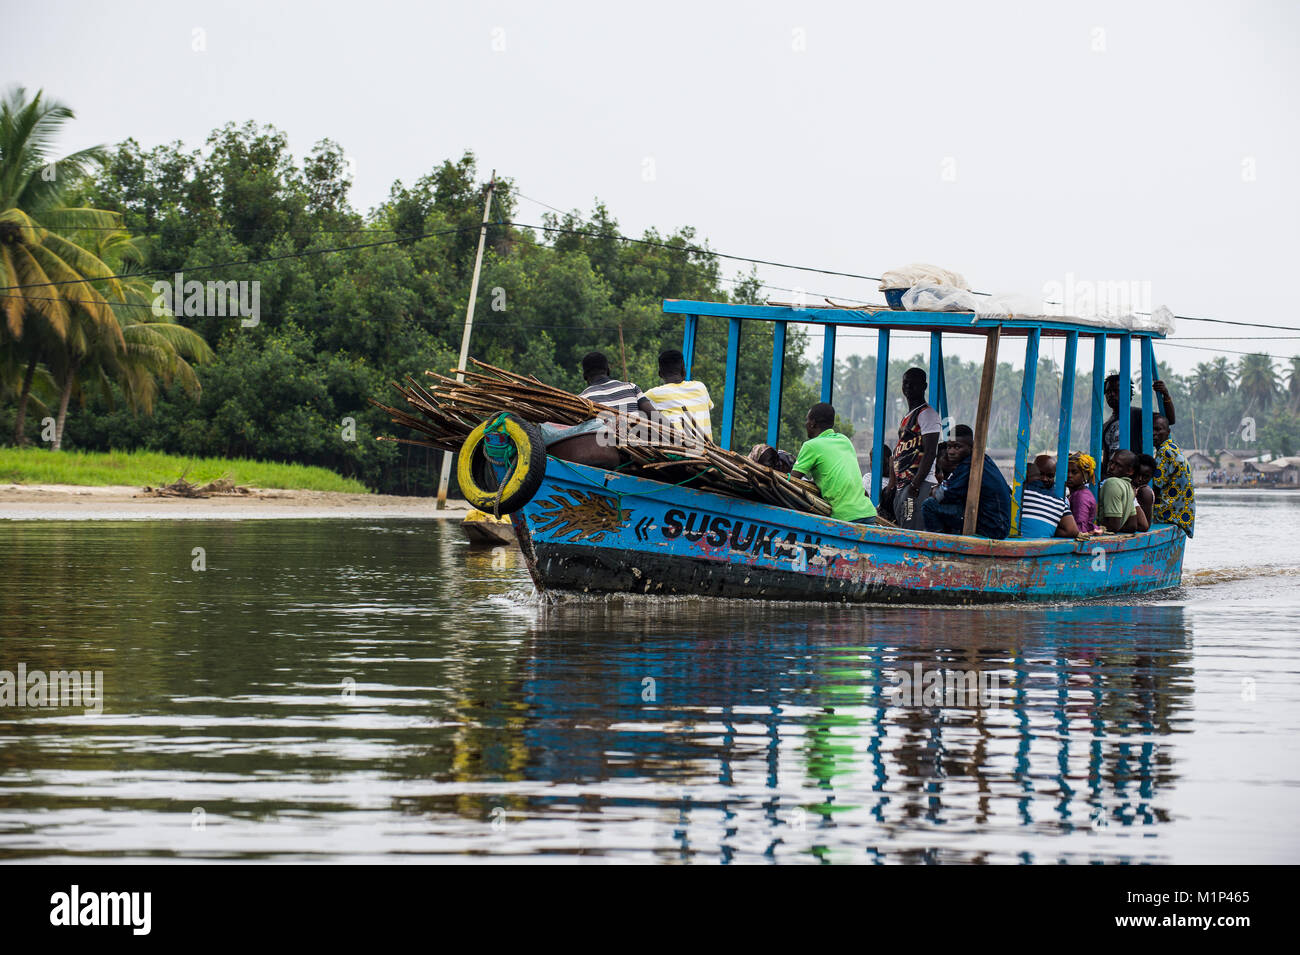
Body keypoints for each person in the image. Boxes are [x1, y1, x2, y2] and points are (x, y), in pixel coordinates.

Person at [791, 403, 877, 524]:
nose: (806, 424)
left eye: (807, 420)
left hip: (846, 517)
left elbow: (792, 481)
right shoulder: (844, 440)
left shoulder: (810, 446)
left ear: (813, 423)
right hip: (868, 513)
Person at [920, 425, 1011, 539]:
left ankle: (939, 544)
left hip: (991, 528)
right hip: (999, 526)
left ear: (971, 447)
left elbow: (942, 495)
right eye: (949, 447)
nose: (951, 452)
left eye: (957, 447)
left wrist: (935, 490)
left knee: (929, 505)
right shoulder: (985, 460)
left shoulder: (969, 464)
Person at [887, 367, 941, 529]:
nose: (908, 387)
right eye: (905, 383)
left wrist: (915, 485)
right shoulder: (908, 416)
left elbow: (930, 451)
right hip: (904, 485)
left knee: (912, 528)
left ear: (924, 386)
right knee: (903, 524)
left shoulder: (927, 414)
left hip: (919, 484)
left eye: (913, 384)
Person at [1101, 373, 1176, 476]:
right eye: (1108, 392)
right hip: (1113, 477)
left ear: (1128, 393)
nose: (1111, 394)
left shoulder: (1137, 415)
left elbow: (1169, 420)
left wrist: (1166, 395)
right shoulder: (1106, 425)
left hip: (1133, 476)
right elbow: (1106, 454)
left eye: (1115, 391)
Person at [644, 348, 714, 443]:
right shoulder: (700, 387)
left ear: (660, 374)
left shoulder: (653, 394)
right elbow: (709, 407)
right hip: (709, 450)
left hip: (679, 452)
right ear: (684, 372)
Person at [1151, 413, 1196, 537]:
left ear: (1168, 431)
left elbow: (1155, 484)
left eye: (1158, 429)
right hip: (1183, 514)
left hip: (1171, 513)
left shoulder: (1164, 452)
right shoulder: (1173, 447)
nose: (1154, 433)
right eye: (1151, 430)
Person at [579, 352, 657, 417]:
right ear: (608, 370)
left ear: (585, 376)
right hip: (636, 434)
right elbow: (655, 417)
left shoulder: (582, 400)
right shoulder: (631, 387)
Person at [1019, 459, 1079, 538]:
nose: (1044, 479)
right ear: (1034, 473)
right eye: (1041, 474)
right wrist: (1050, 527)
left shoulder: (1020, 494)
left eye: (1050, 476)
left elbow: (1073, 531)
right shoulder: (1060, 502)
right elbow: (1072, 531)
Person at [1098, 449, 1150, 533]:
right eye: (1111, 463)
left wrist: (1096, 527)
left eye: (1118, 465)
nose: (1111, 467)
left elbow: (1113, 526)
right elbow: (1132, 526)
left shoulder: (1112, 483)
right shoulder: (1129, 488)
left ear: (1130, 471)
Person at [1066, 452, 1098, 533]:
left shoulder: (1080, 496)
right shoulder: (1080, 493)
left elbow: (1080, 528)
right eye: (1067, 471)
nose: (1069, 475)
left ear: (1085, 475)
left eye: (1074, 472)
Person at [1134, 453, 1158, 526]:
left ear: (1151, 477)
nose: (1140, 479)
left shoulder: (1144, 492)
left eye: (1145, 476)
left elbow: (1145, 525)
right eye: (1137, 474)